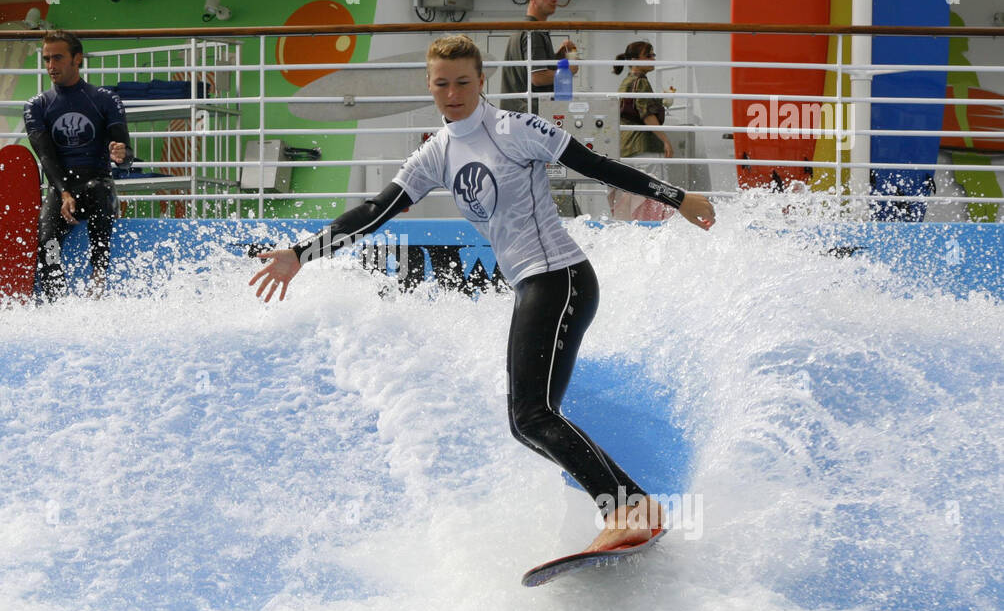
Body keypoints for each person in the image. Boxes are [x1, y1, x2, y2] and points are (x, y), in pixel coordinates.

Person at [250, 35, 716, 555]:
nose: (453, 93)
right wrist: (302, 253)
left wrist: (677, 198)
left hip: (559, 276)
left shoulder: (513, 129)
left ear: (482, 81)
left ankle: (628, 506)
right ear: (428, 84)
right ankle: (633, 504)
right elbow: (374, 211)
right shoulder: (436, 153)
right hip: (534, 283)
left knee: (532, 416)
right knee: (530, 422)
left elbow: (596, 165)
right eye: (442, 83)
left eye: (464, 82)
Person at [24, 30, 133, 299]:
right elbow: (46, 157)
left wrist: (121, 154)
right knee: (46, 241)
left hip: (98, 183)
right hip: (60, 187)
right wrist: (63, 192)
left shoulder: (105, 99)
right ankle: (56, 302)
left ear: (77, 59)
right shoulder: (37, 106)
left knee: (98, 189)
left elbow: (126, 155)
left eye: (58, 58)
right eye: (47, 59)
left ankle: (98, 279)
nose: (51, 66)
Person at [611, 41, 676, 221]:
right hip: (643, 144)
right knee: (653, 189)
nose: (653, 59)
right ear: (634, 60)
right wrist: (665, 140)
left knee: (632, 193)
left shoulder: (627, 82)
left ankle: (634, 226)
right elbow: (646, 113)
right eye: (648, 55)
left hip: (627, 145)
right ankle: (650, 227)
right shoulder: (640, 83)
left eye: (653, 55)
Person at [500, 0, 579, 115]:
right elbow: (538, 77)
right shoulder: (534, 32)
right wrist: (568, 72)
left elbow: (530, 69)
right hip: (529, 115)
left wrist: (556, 57)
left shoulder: (525, 30)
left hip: (517, 113)